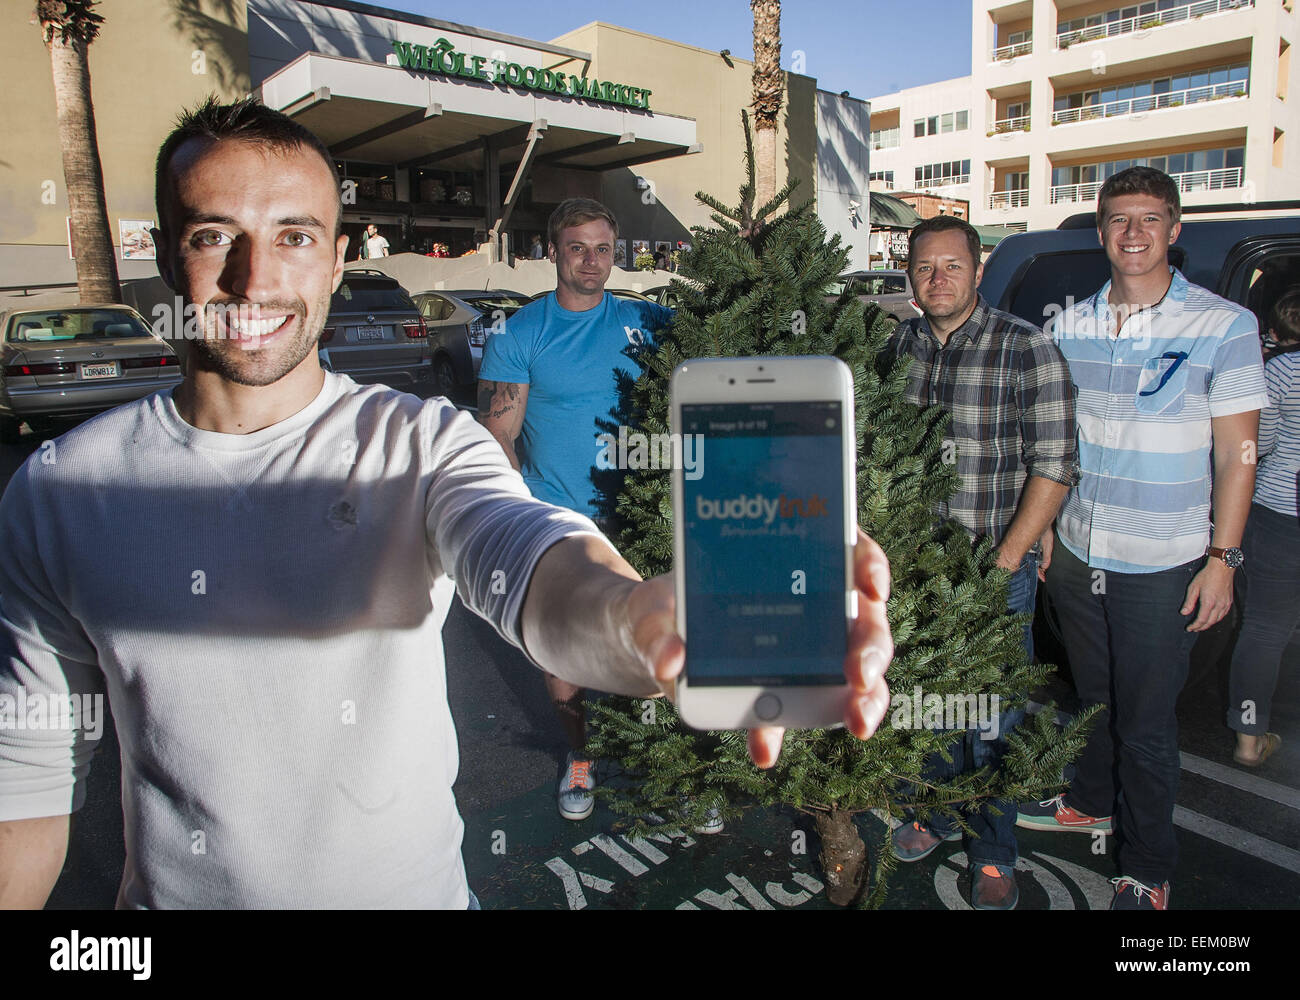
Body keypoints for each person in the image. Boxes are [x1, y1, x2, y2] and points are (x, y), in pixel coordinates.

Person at [0, 98, 896, 909]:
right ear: (163, 250)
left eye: (295, 236)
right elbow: (26, 785)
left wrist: (640, 619)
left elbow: (526, 556)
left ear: (339, 259)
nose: (253, 278)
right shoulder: (61, 493)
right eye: (213, 236)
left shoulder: (421, 443)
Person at [1018, 166, 1268, 910]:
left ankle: (1149, 867)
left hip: (1164, 562)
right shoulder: (1068, 325)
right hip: (1076, 553)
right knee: (1094, 697)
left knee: (1149, 722)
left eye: (1150, 219)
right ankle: (1090, 800)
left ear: (1175, 229)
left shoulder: (1225, 325)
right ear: (1101, 232)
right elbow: (1054, 442)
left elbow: (1236, 453)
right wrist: (1045, 535)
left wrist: (1223, 559)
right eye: (1119, 219)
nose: (1134, 234)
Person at [881, 214, 1079, 910]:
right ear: (909, 274)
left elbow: (1054, 464)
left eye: (952, 266)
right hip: (912, 568)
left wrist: (1010, 558)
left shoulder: (1027, 349)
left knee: (992, 713)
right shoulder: (894, 346)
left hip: (994, 567)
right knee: (925, 696)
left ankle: (994, 850)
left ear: (979, 270)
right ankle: (930, 812)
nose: (938, 279)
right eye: (925, 267)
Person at [476, 198, 678, 823]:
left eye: (603, 248)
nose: (592, 261)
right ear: (552, 252)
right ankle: (580, 755)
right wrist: (521, 518)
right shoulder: (522, 331)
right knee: (563, 653)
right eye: (577, 248)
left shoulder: (651, 321)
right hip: (562, 519)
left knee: (663, 642)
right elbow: (497, 433)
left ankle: (677, 771)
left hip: (645, 511)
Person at [1226, 288, 1300, 766]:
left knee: (1265, 629)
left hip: (1278, 516)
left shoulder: (1278, 371)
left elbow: (1261, 441)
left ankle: (1250, 740)